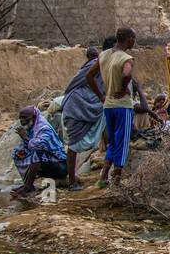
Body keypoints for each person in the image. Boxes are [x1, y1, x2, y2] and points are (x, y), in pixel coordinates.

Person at [89, 25, 139, 187]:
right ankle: (116, 180)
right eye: (134, 39)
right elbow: (127, 74)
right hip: (122, 105)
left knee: (112, 142)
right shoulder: (126, 58)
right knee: (122, 142)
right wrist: (123, 89)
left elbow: (89, 76)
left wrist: (101, 96)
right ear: (129, 39)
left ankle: (102, 178)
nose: (134, 42)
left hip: (108, 105)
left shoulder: (103, 55)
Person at [60, 44, 108, 190]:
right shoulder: (93, 67)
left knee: (73, 144)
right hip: (77, 106)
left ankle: (102, 172)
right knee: (73, 145)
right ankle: (72, 181)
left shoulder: (88, 67)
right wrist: (100, 97)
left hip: (76, 105)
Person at [12, 105, 68, 197]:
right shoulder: (32, 128)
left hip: (60, 165)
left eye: (25, 118)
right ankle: (27, 184)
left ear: (33, 117)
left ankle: (28, 187)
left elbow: (38, 146)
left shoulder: (44, 129)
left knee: (37, 154)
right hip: (48, 163)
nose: (22, 120)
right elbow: (26, 147)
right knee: (18, 153)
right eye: (20, 118)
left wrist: (25, 137)